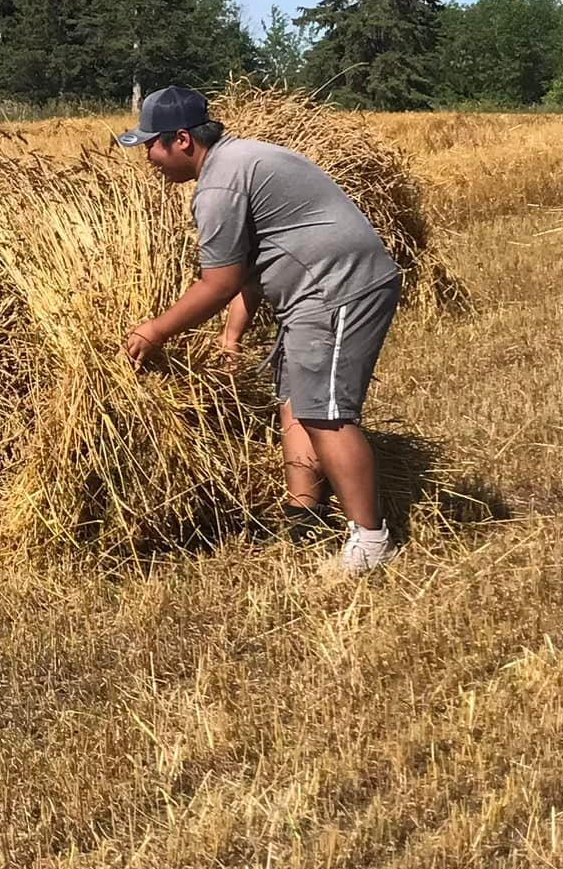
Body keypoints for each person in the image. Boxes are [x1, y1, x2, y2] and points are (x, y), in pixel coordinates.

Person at [117, 85, 402, 575]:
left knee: (326, 413)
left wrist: (154, 331)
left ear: (181, 140)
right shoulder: (240, 160)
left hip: (337, 288)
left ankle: (372, 543)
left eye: (151, 145)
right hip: (317, 290)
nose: (148, 158)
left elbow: (220, 282)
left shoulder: (219, 185)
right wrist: (231, 336)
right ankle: (304, 514)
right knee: (295, 398)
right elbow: (251, 269)